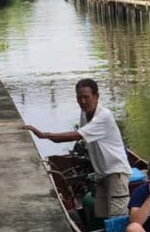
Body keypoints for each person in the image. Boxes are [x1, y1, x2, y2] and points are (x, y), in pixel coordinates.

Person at [24, 78, 131, 219]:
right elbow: (83, 137)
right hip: (101, 174)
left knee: (118, 218)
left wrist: (44, 135)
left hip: (116, 173)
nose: (82, 101)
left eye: (86, 97)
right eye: (79, 98)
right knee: (101, 215)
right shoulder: (85, 113)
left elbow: (76, 135)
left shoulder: (104, 116)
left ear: (96, 96)